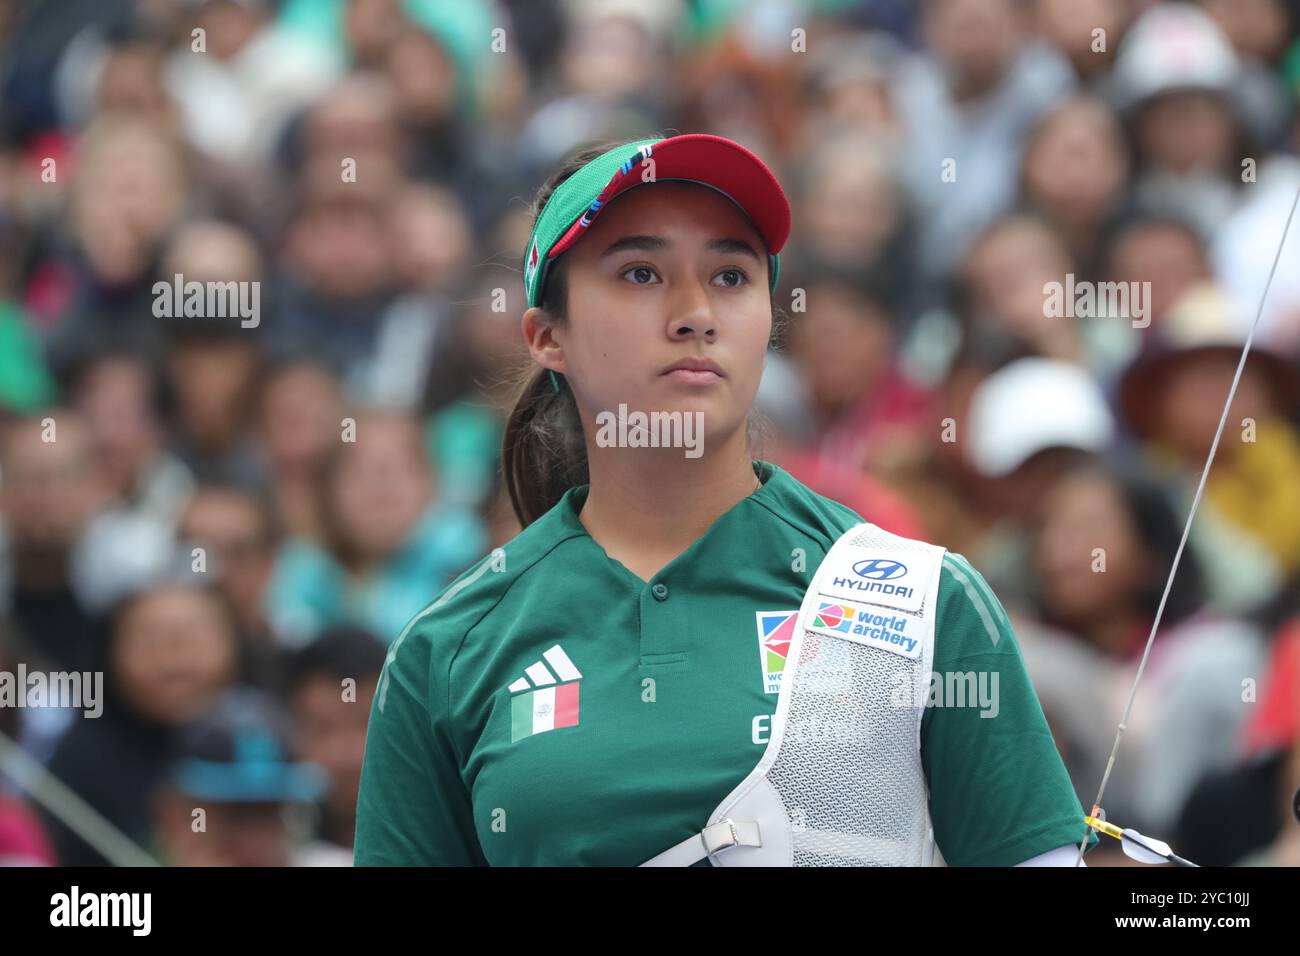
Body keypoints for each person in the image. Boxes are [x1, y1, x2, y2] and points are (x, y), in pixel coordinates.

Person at [354, 133, 1095, 867]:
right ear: (548, 337)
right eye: (641, 273)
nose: (696, 313)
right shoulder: (442, 653)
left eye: (732, 277)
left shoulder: (926, 602)